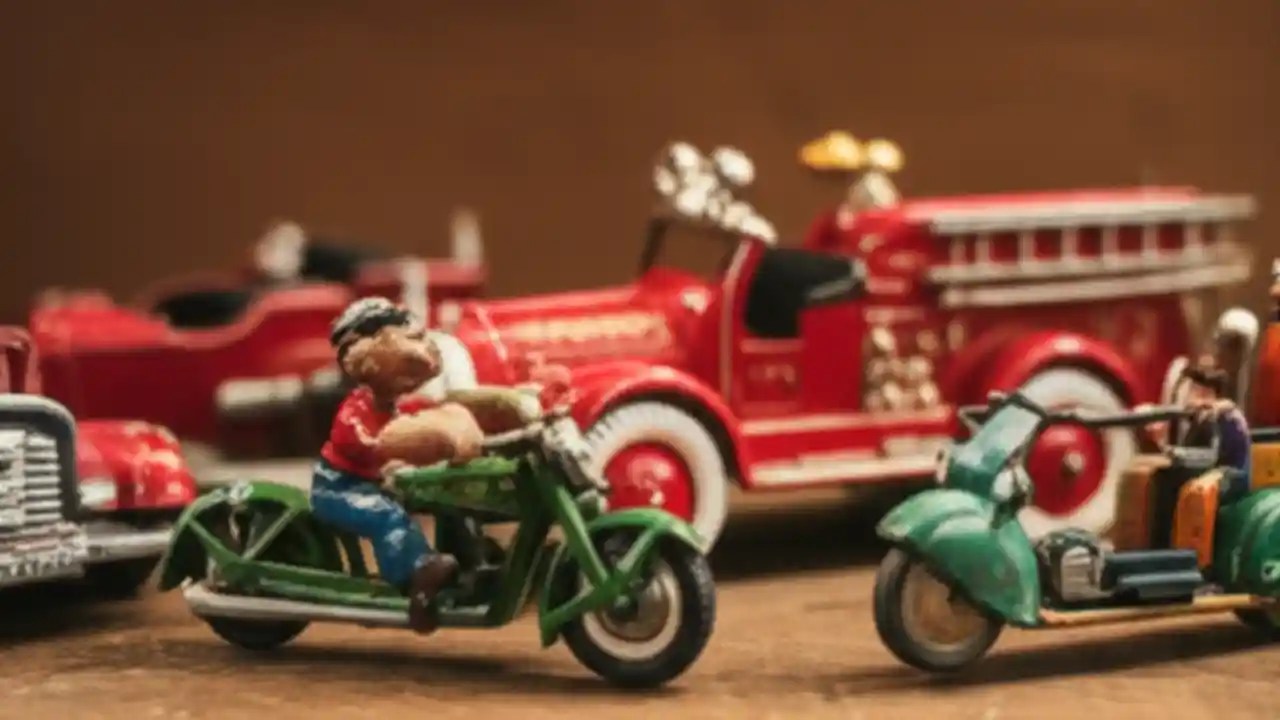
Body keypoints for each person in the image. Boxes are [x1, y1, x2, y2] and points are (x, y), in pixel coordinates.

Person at [312, 297, 466, 634]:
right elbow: (356, 440)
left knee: (442, 497)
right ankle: (416, 579)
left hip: (371, 483)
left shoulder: (392, 407)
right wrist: (390, 448)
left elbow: (413, 419)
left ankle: (467, 559)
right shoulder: (356, 408)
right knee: (387, 516)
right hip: (337, 488)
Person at [1149, 361, 1252, 501]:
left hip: (1230, 479)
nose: (1189, 398)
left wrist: (1172, 453)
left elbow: (1210, 456)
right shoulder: (1200, 418)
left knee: (1169, 479)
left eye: (1194, 390)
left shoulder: (1222, 416)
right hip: (1215, 474)